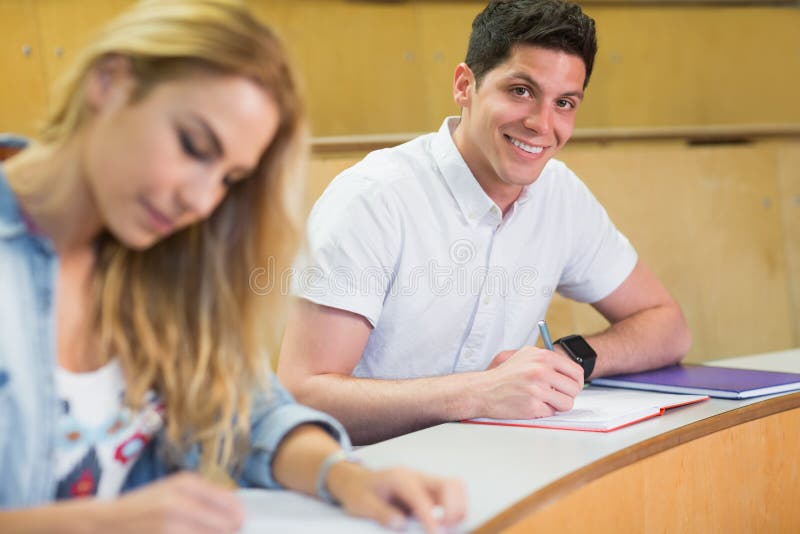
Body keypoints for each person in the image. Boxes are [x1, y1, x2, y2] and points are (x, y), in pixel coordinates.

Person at [0, 1, 465, 532]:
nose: (200, 201)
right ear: (109, 82)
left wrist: (345, 477)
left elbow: (250, 413)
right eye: (194, 145)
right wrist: (98, 524)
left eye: (229, 179)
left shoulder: (158, 260)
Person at [277, 0, 692, 445]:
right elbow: (303, 395)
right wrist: (480, 393)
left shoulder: (560, 193)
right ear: (464, 85)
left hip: (495, 463)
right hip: (365, 478)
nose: (542, 124)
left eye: (565, 102)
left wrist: (566, 361)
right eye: (521, 91)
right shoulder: (374, 197)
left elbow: (667, 326)